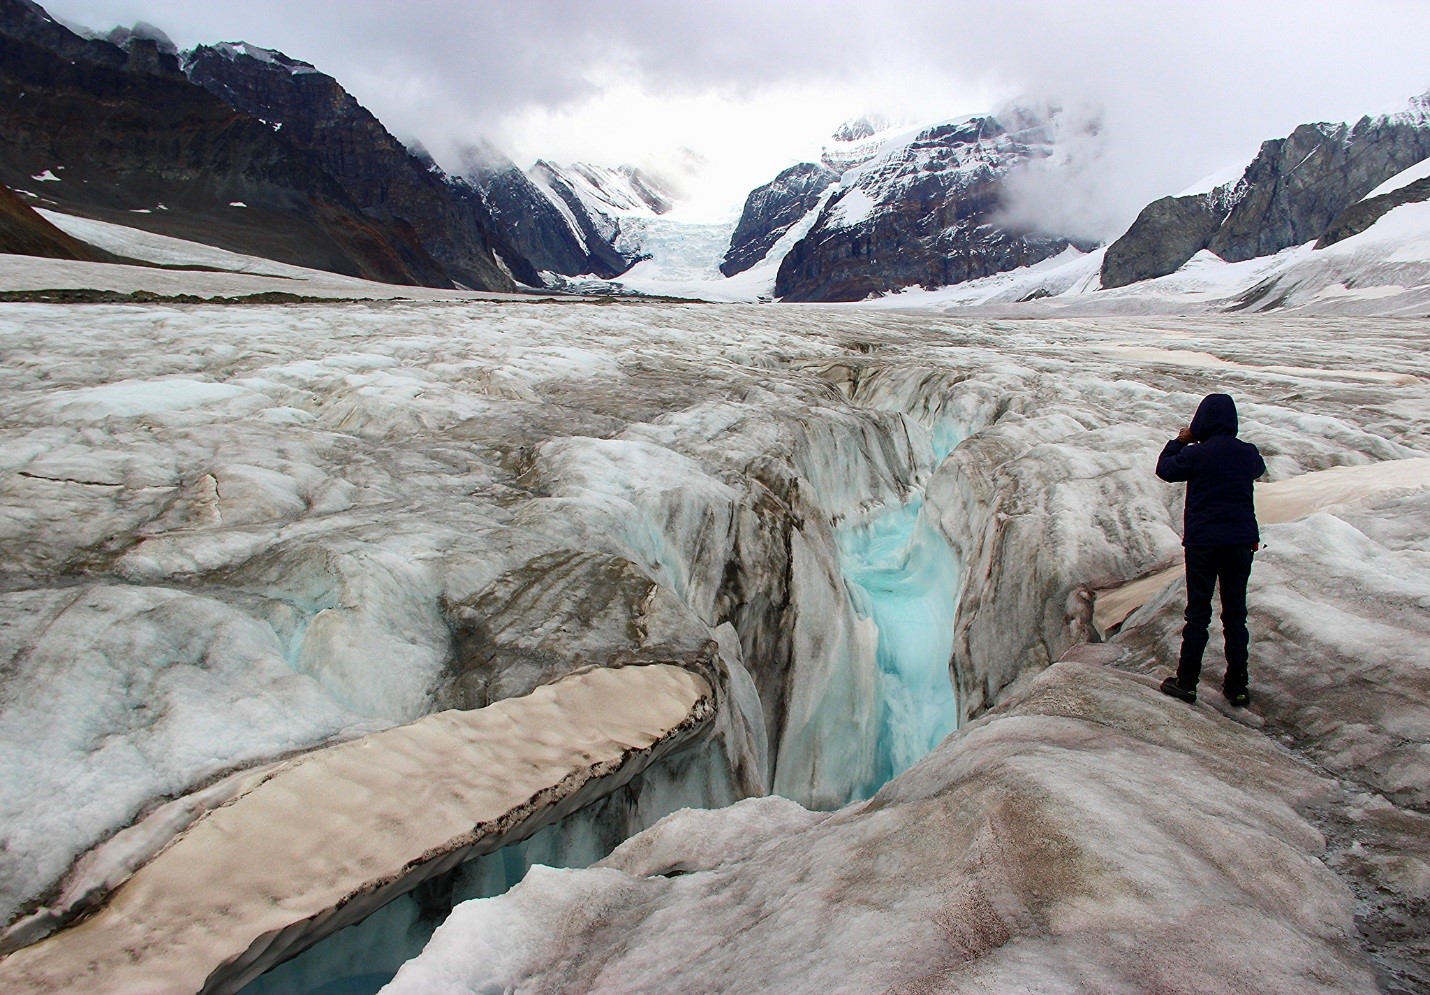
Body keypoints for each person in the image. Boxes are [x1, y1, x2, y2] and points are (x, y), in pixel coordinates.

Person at [1154, 393, 1266, 706]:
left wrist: (1181, 440)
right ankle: (1237, 687)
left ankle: (1187, 682)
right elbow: (1258, 467)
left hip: (1204, 544)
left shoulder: (1197, 455)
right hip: (1241, 542)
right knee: (1235, 615)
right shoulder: (1247, 454)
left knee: (1198, 614)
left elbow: (1165, 469)